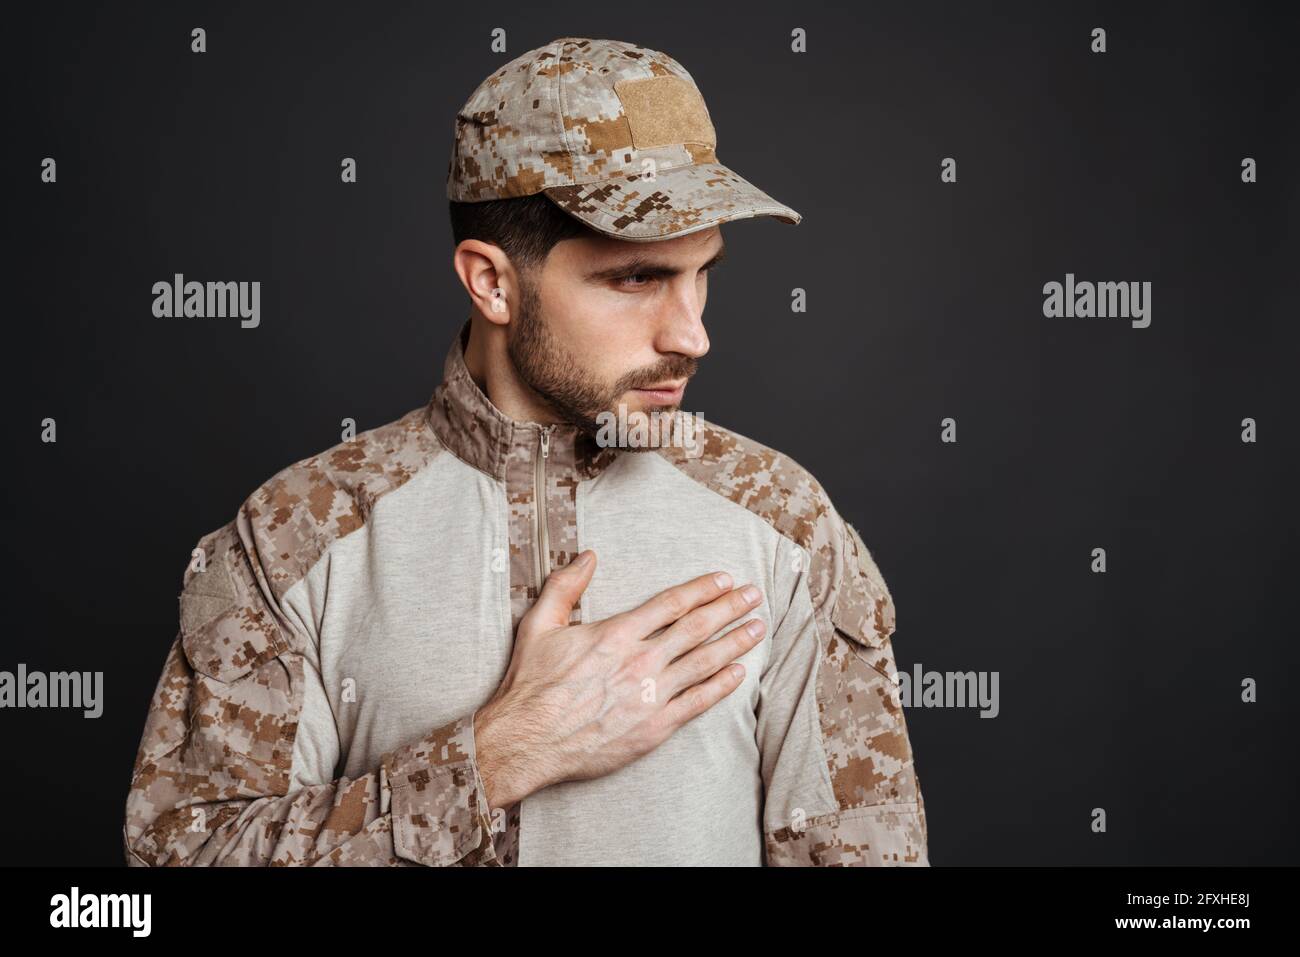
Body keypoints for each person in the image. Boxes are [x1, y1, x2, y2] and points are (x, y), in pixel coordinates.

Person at [122, 36, 928, 866]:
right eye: (638, 278)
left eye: (702, 273)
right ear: (492, 282)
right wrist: (496, 755)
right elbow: (184, 853)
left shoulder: (783, 521)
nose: (693, 335)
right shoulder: (296, 534)